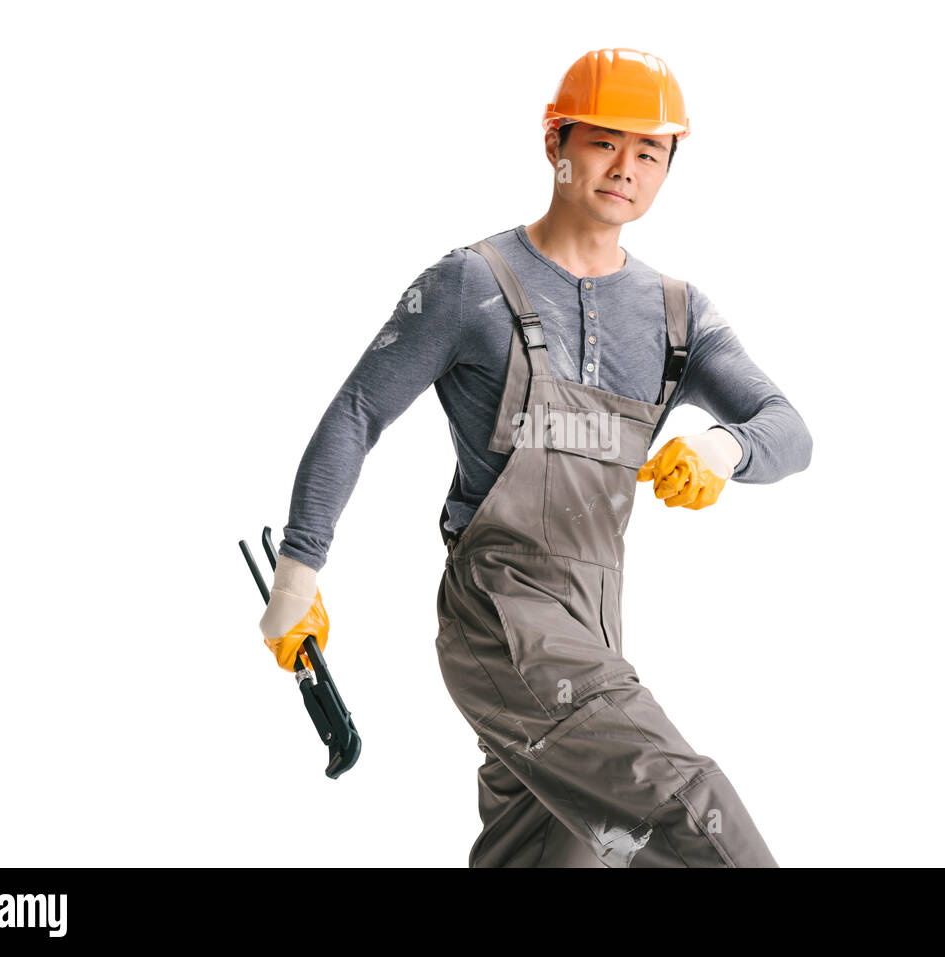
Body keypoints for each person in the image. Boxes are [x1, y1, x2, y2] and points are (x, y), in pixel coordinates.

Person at [260, 47, 813, 866]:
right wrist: (297, 573)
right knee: (687, 802)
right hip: (500, 619)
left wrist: (725, 445)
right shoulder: (471, 285)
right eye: (603, 142)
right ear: (556, 144)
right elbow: (358, 410)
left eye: (650, 151)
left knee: (549, 855)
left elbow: (789, 428)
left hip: (592, 631)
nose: (626, 167)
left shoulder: (676, 315)